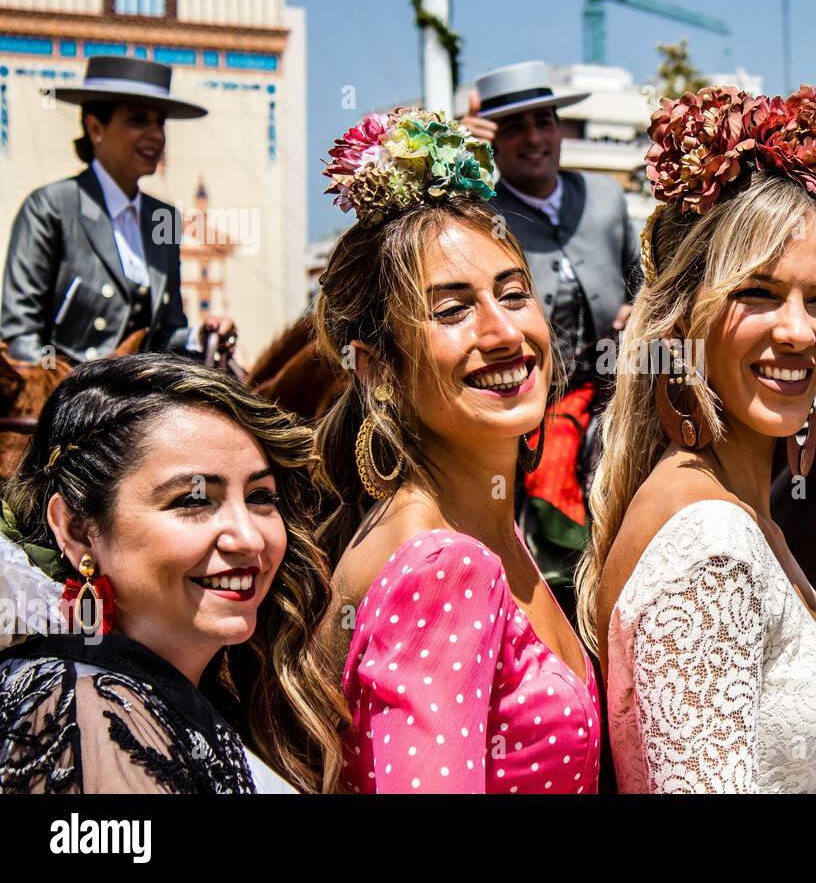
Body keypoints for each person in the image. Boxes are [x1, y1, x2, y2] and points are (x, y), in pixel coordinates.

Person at [574, 84, 816, 793]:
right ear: (682, 325)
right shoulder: (711, 538)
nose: (799, 331)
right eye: (758, 293)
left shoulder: (740, 508)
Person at [313, 106, 601, 794]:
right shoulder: (443, 566)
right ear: (376, 369)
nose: (503, 332)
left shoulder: (478, 526)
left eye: (512, 293)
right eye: (452, 309)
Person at [0, 354, 345, 793]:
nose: (250, 539)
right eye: (194, 500)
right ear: (78, 529)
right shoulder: (89, 711)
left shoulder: (212, 696)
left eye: (261, 497)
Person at [463, 62, 641, 583]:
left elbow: (643, 275)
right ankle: (549, 578)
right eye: (514, 127)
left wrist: (639, 307)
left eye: (544, 121)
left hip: (623, 379)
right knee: (548, 456)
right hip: (531, 392)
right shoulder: (478, 211)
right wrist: (461, 174)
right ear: (491, 140)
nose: (535, 138)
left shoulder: (604, 195)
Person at [2, 56, 237, 366]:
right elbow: (21, 334)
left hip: (142, 397)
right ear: (96, 128)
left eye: (160, 122)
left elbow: (165, 333)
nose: (157, 135)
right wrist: (58, 387)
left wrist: (200, 336)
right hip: (72, 402)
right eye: (139, 119)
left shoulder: (162, 217)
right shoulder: (50, 207)